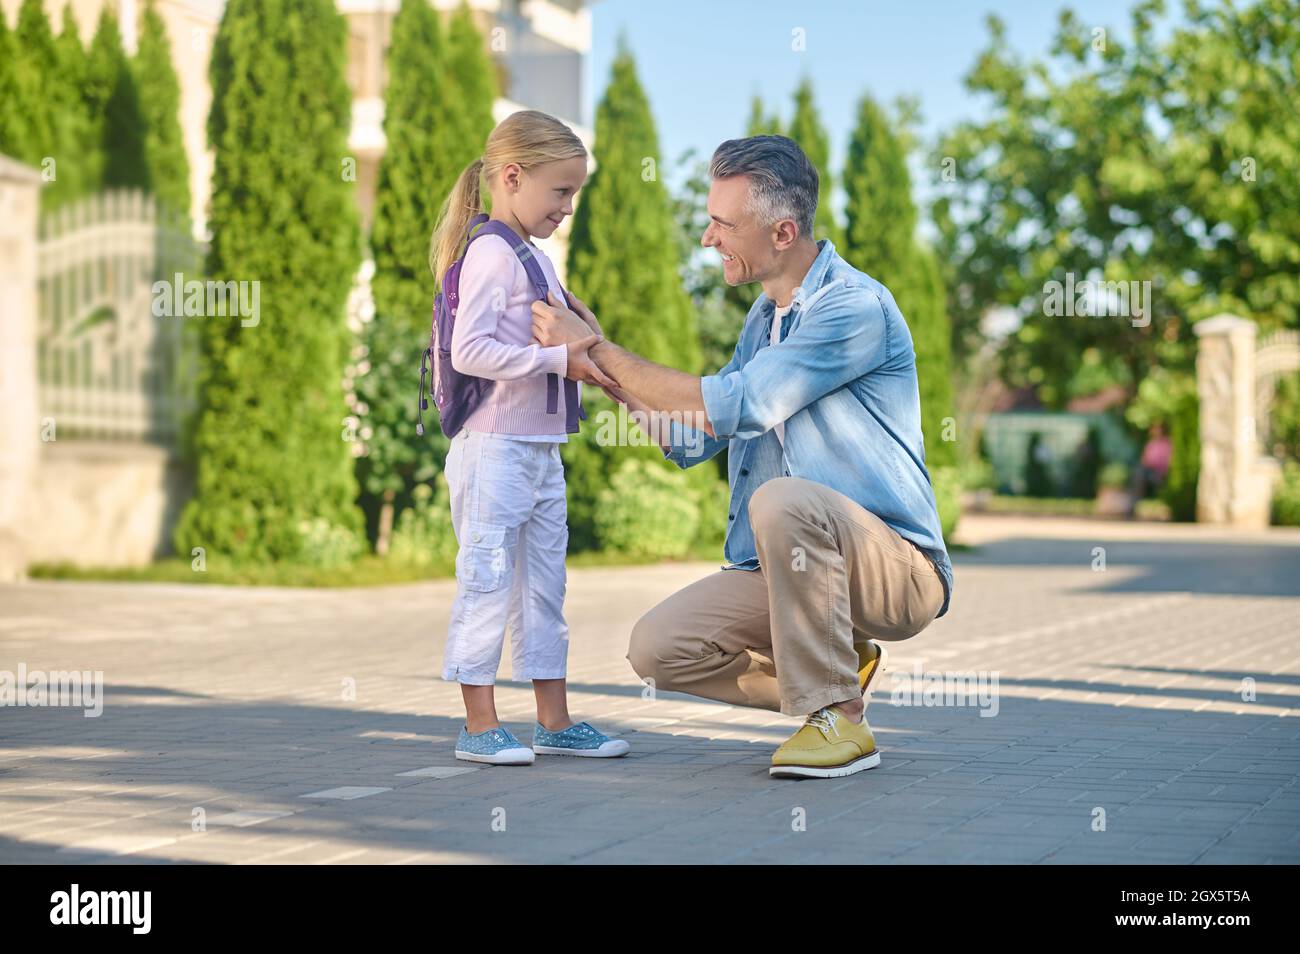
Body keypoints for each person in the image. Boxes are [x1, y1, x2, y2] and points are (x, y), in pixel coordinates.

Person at [531, 135, 953, 779]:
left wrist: (602, 351)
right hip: (798, 570)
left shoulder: (854, 307)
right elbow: (693, 438)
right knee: (660, 649)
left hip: (896, 569)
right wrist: (597, 366)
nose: (708, 238)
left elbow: (743, 403)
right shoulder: (764, 319)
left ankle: (841, 721)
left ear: (783, 232)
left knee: (779, 501)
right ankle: (841, 664)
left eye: (724, 224)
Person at [429, 110, 629, 765]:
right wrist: (556, 362)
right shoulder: (490, 251)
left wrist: (587, 351)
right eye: (561, 191)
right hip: (495, 447)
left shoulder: (532, 257)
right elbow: (469, 351)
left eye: (575, 193)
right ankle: (479, 725)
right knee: (486, 579)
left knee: (546, 586)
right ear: (513, 177)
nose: (568, 207)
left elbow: (563, 334)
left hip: (540, 449)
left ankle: (554, 720)